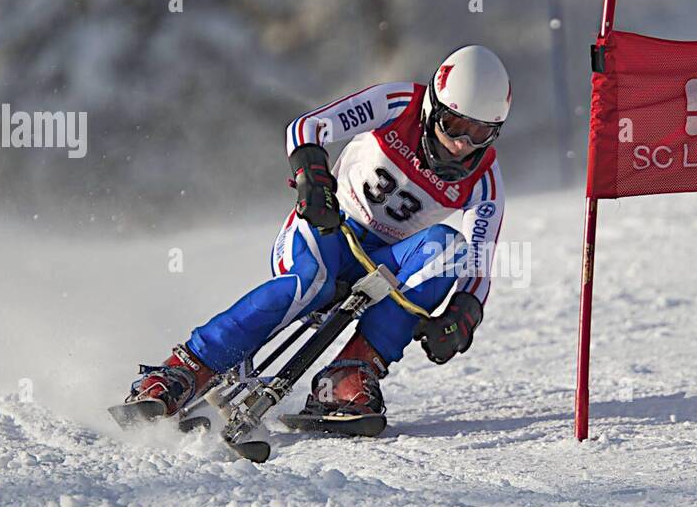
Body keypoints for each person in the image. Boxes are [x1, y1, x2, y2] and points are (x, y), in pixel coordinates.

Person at [119, 45, 510, 434]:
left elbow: (478, 261)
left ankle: (346, 377)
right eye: (455, 125)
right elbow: (308, 128)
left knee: (448, 248)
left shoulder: (486, 182)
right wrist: (313, 179)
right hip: (327, 228)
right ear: (432, 109)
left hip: (383, 264)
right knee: (314, 281)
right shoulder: (398, 103)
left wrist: (463, 316)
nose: (462, 144)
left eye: (480, 133)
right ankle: (186, 369)